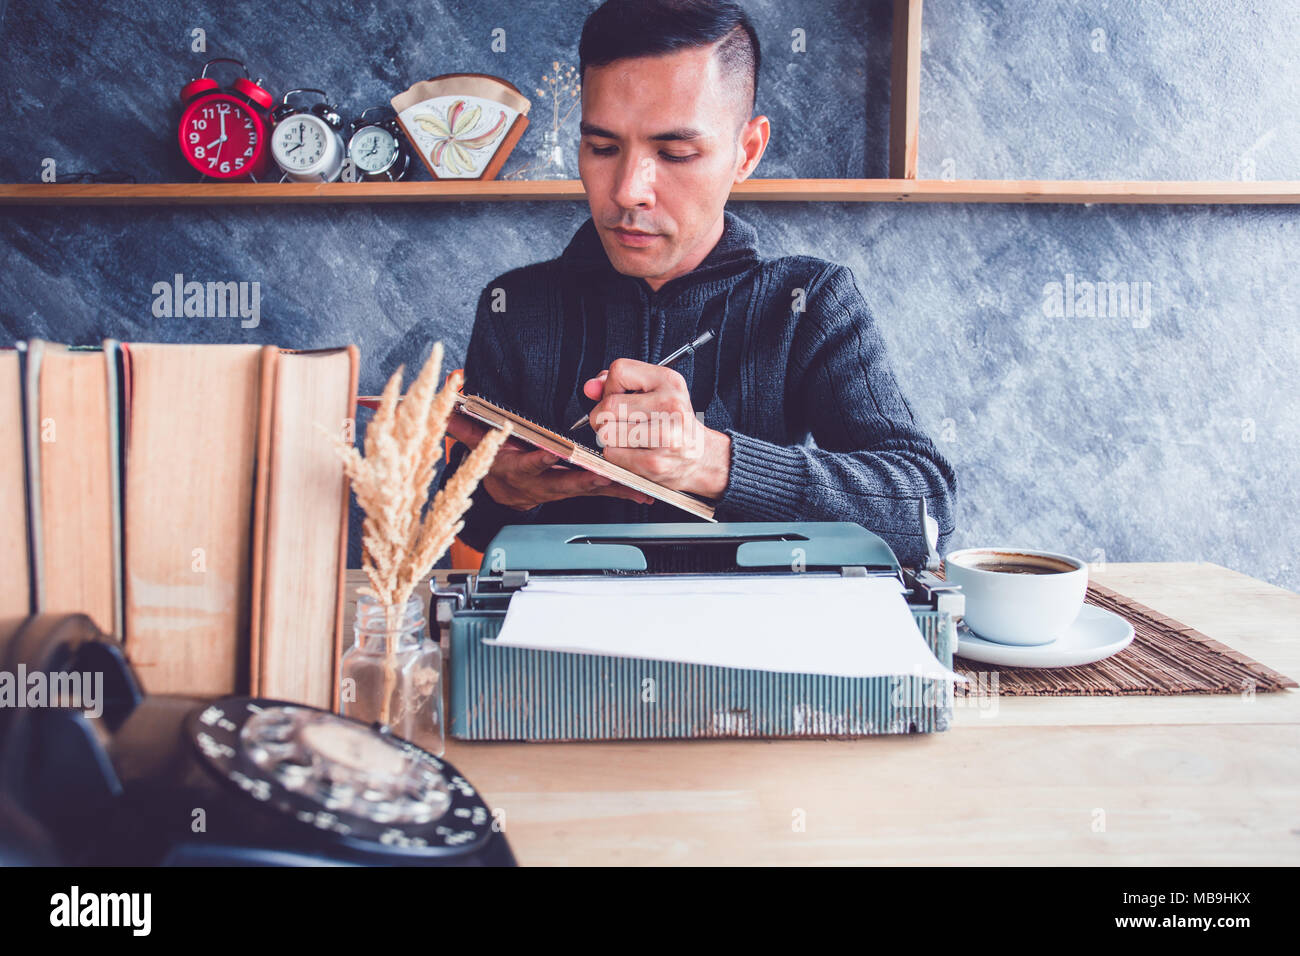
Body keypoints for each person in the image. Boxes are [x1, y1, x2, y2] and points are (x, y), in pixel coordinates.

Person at [443, 0, 958, 567]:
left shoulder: (811, 302)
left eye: (676, 153)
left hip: (758, 645)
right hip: (555, 649)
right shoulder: (513, 305)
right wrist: (501, 491)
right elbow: (461, 528)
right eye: (603, 148)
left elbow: (926, 511)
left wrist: (709, 460)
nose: (627, 192)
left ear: (747, 152)